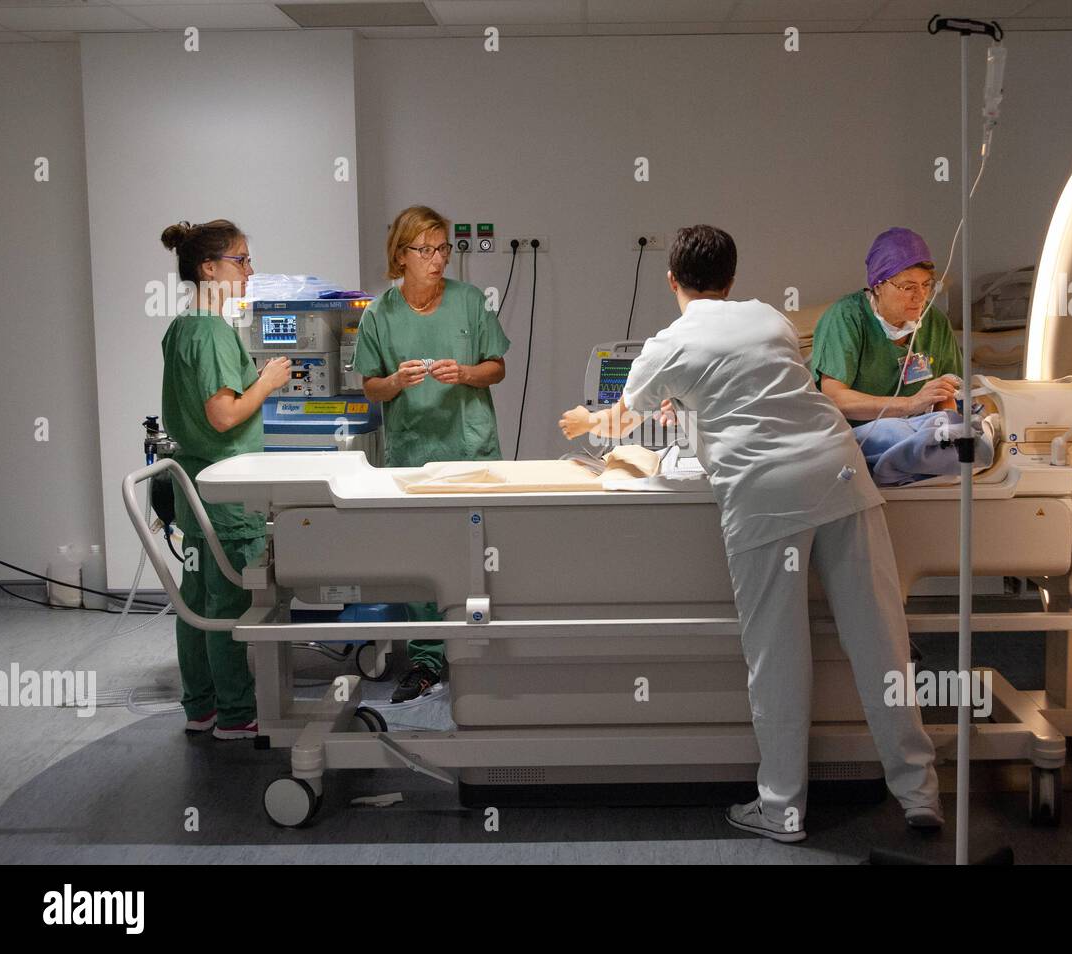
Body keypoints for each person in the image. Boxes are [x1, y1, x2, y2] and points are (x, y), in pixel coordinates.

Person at [558, 225, 942, 841]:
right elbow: (763, 388)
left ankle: (783, 809)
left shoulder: (667, 344)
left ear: (671, 280)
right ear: (733, 279)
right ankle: (920, 794)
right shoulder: (770, 319)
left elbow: (623, 418)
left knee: (778, 658)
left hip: (766, 499)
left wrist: (587, 421)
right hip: (839, 473)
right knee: (882, 643)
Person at [354, 205, 511, 702]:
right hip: (413, 452)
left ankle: (485, 651)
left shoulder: (470, 302)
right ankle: (426, 660)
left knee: (481, 554)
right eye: (426, 250)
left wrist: (465, 373)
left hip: (470, 448)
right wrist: (396, 382)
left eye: (443, 248)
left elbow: (497, 368)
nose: (439, 258)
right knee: (422, 560)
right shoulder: (381, 313)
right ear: (401, 255)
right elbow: (371, 389)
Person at [160, 219, 290, 740]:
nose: (250, 271)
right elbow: (223, 416)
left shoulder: (182, 327)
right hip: (226, 493)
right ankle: (237, 715)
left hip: (193, 489)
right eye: (241, 260)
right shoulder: (213, 332)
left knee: (196, 603)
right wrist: (268, 381)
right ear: (208, 268)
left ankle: (201, 707)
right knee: (230, 606)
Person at [811, 227, 963, 426]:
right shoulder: (847, 318)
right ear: (878, 286)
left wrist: (946, 429)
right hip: (857, 436)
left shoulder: (935, 321)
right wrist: (910, 404)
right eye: (908, 287)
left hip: (919, 428)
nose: (920, 296)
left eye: (926, 285)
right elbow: (835, 398)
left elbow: (949, 387)